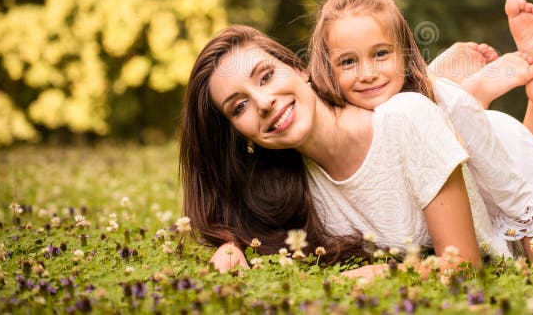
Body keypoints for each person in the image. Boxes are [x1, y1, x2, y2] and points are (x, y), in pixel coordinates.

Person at [306, 0, 533, 258]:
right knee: (518, 159)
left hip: (494, 159)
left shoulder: (424, 109)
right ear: (326, 69)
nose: (368, 74)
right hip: (490, 153)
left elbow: (513, 189)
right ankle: (527, 95)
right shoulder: (347, 121)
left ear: (405, 55)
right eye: (347, 61)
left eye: (381, 54)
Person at [182, 25, 490, 278]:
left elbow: (466, 266)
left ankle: (458, 88)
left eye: (266, 76)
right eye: (239, 106)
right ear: (239, 135)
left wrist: (389, 274)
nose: (263, 102)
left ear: (299, 68)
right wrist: (230, 247)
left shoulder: (406, 119)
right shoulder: (288, 187)